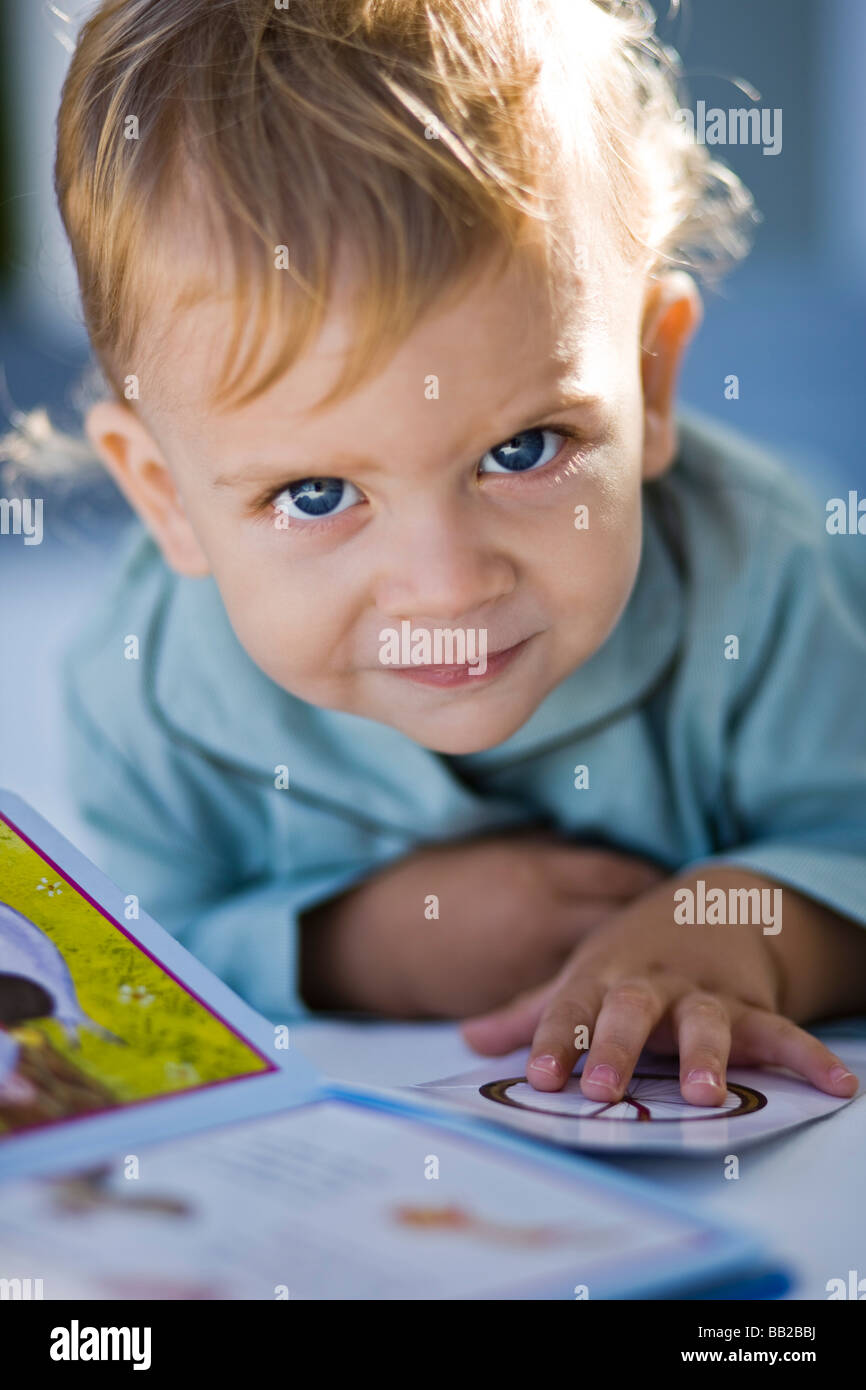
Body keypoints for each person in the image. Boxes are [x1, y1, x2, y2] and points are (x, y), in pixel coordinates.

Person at [12, 0, 863, 1107]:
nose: (449, 582)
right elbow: (143, 951)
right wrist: (355, 945)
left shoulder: (772, 580)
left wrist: (734, 927)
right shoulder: (150, 692)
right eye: (316, 493)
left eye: (522, 449)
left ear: (649, 384)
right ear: (165, 497)